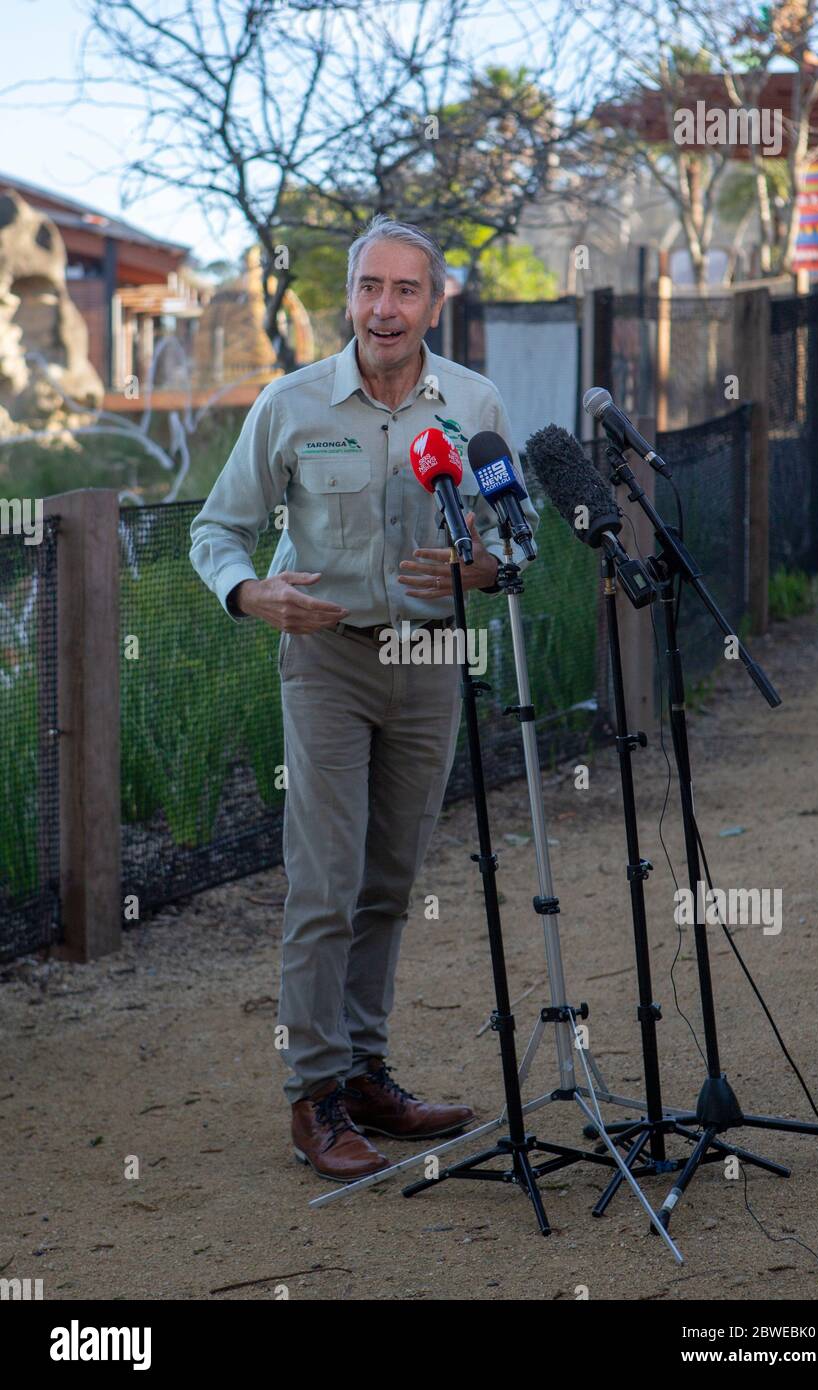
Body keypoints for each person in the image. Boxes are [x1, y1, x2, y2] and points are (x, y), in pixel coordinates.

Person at [189, 215, 538, 1183]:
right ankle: (315, 1094)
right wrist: (251, 591)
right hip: (327, 661)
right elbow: (218, 528)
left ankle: (368, 1072)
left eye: (405, 291)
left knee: (388, 879)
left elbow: (516, 533)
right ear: (347, 296)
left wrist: (476, 567)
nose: (385, 309)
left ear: (435, 301)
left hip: (430, 660)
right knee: (324, 882)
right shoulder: (290, 403)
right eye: (369, 288)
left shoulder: (471, 403)